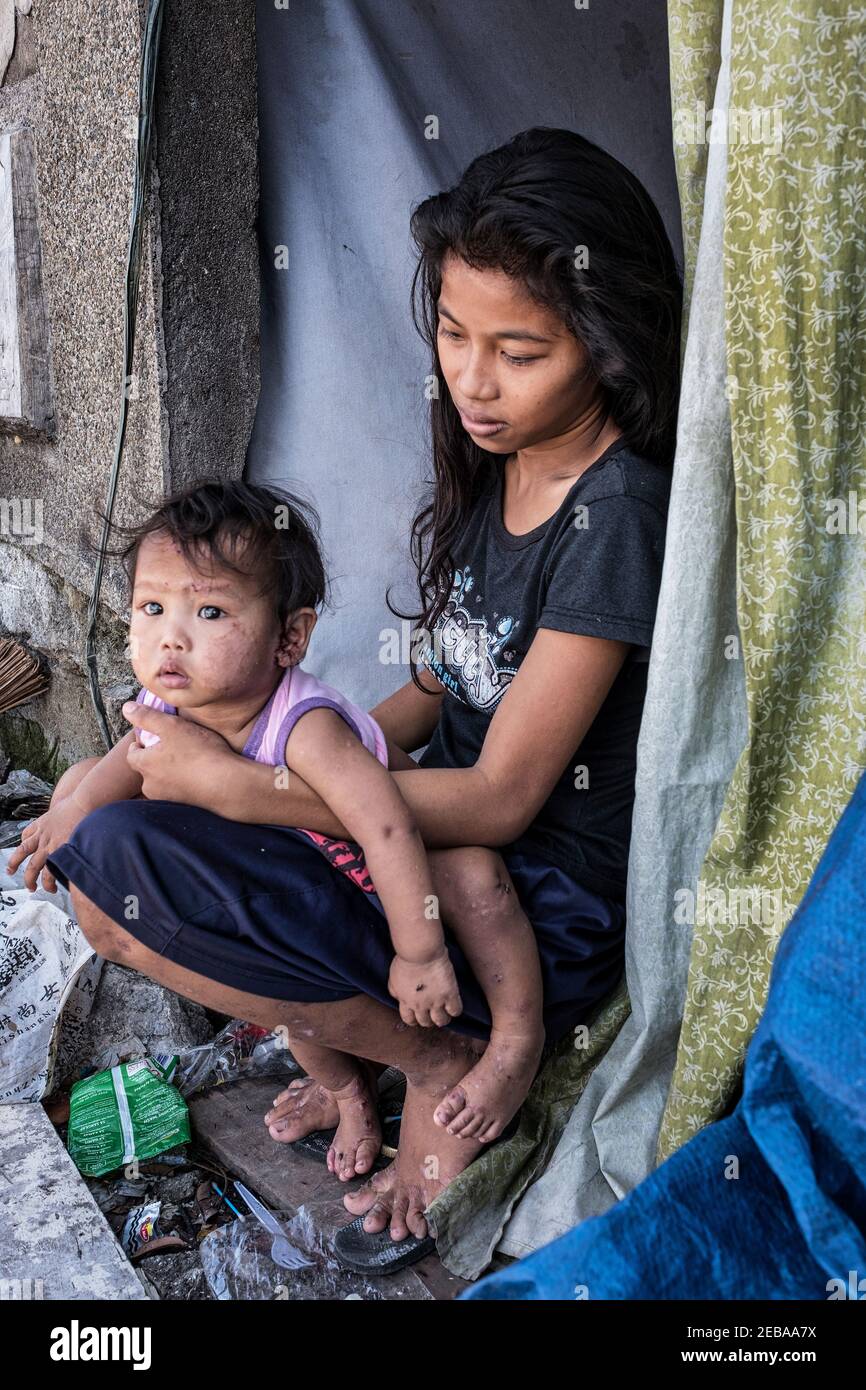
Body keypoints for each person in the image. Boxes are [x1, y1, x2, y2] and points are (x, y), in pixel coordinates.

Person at [16, 126, 682, 1261]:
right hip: (417, 847)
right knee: (109, 866)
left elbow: (506, 798)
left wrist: (254, 788)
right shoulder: (503, 463)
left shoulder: (608, 511)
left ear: (605, 342)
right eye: (454, 334)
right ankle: (367, 1045)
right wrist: (301, 741)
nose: (471, 379)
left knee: (145, 852)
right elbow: (432, 683)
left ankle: (439, 1050)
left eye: (517, 351)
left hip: (530, 904)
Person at [14, 477, 547, 1147]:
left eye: (209, 613)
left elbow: (388, 825)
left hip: (401, 886)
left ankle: (514, 1037)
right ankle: (347, 1091)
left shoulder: (305, 725)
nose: (169, 639)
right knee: (304, 1028)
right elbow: (126, 760)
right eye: (150, 608)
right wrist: (70, 810)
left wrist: (420, 956)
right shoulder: (179, 705)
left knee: (477, 880)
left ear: (290, 639)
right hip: (311, 885)